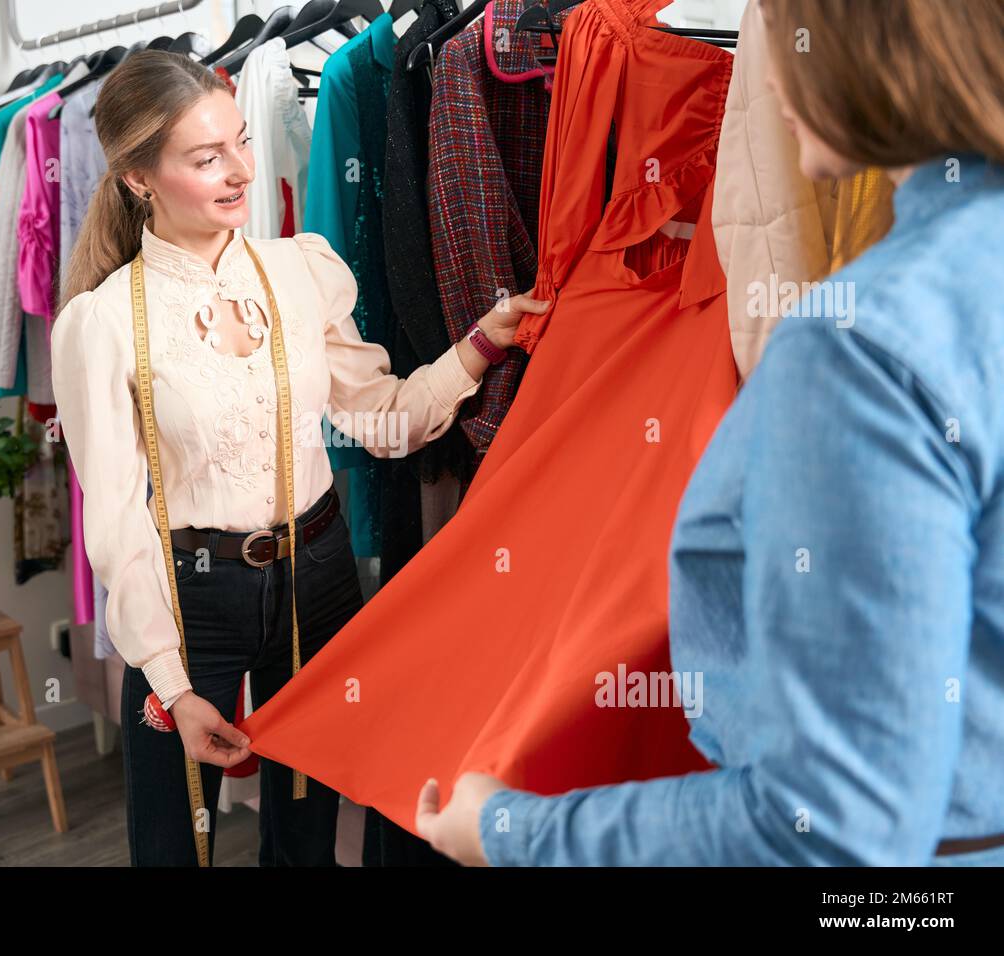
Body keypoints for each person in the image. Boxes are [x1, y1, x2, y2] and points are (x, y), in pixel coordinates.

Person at [416, 0, 1004, 866]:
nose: (765, 76)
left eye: (789, 42)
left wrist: (508, 831)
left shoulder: (862, 349)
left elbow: (837, 823)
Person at [49, 50, 549, 866]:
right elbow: (113, 520)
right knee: (178, 843)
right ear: (139, 178)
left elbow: (382, 420)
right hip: (189, 600)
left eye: (241, 142)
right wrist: (172, 686)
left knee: (308, 834)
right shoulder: (103, 324)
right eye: (206, 158)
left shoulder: (298, 269)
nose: (241, 170)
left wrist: (477, 349)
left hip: (318, 578)